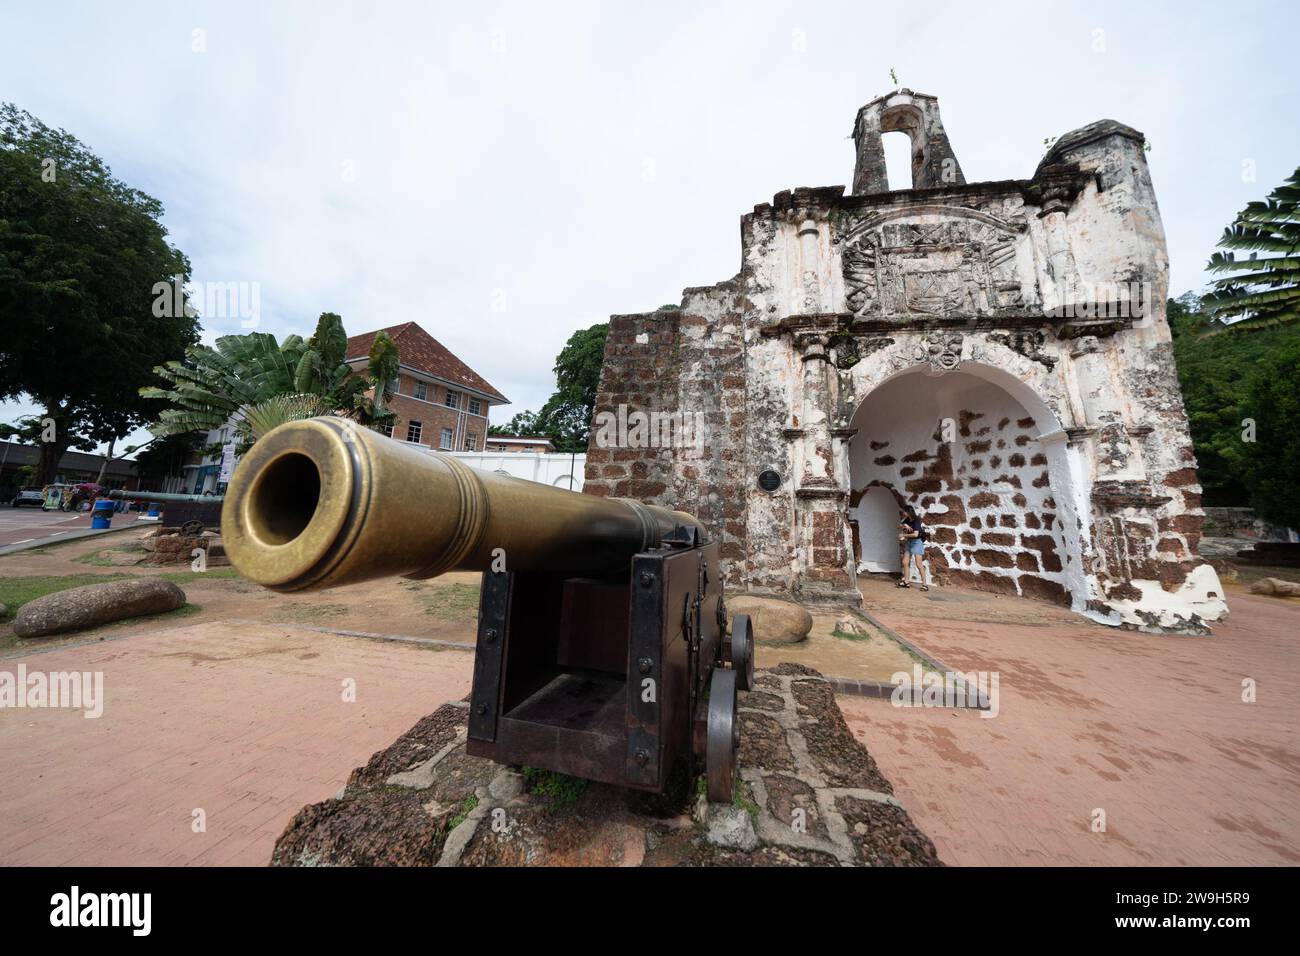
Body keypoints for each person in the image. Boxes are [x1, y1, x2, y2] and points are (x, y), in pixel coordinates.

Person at [897, 504, 930, 591]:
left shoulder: (916, 520)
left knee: (919, 564)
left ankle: (925, 585)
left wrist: (904, 534)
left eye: (904, 511)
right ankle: (906, 582)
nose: (903, 513)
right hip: (910, 542)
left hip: (917, 542)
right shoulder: (907, 519)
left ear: (908, 512)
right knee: (905, 562)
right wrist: (905, 525)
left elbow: (915, 534)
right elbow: (898, 526)